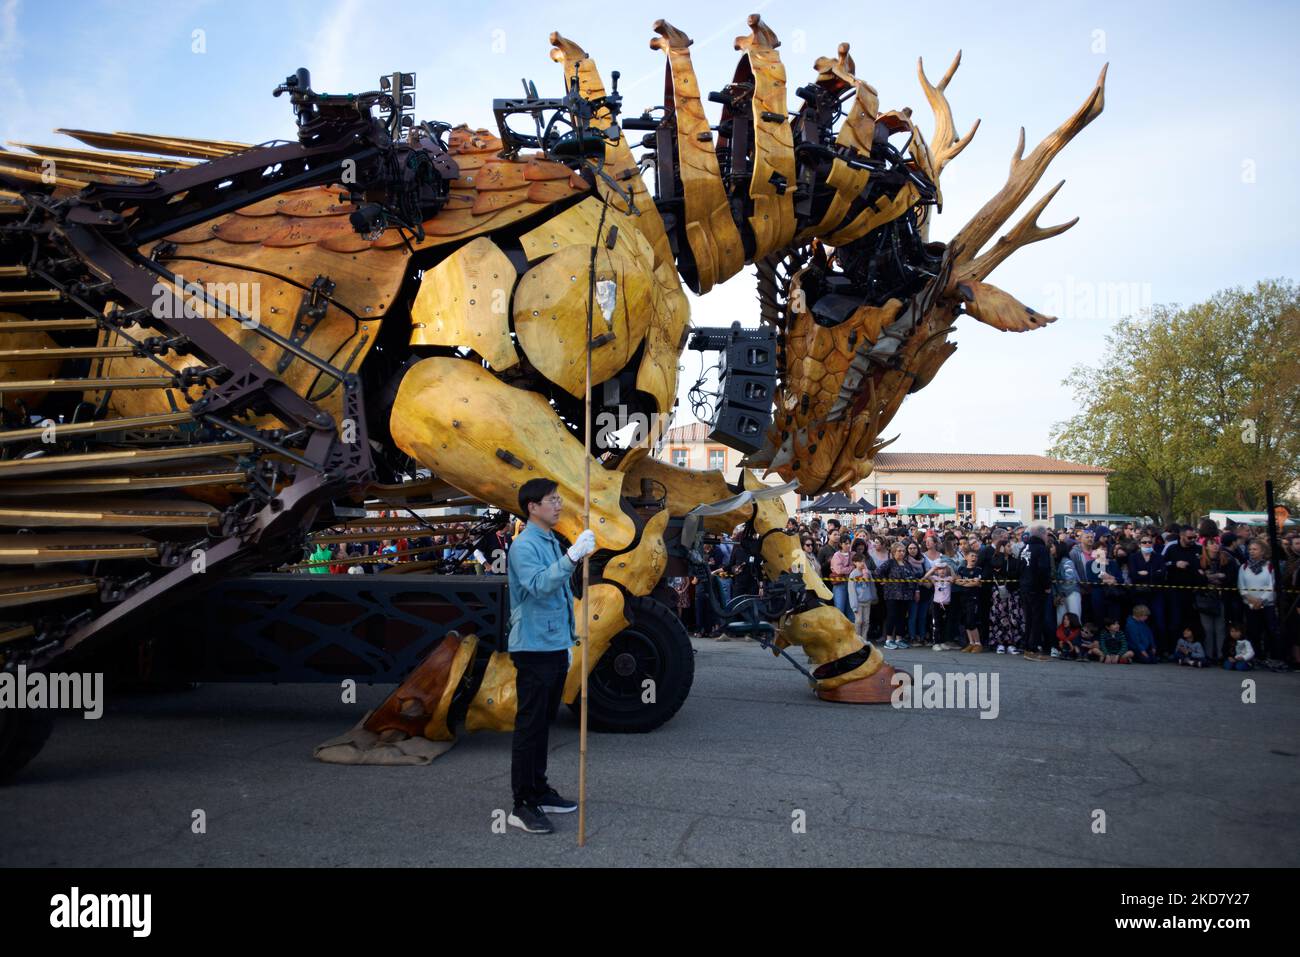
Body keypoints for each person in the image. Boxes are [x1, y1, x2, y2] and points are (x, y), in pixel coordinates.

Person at [504, 478, 595, 835]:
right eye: (552, 500)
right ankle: (521, 802)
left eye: (558, 499)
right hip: (533, 647)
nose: (558, 505)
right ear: (532, 507)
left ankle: (539, 789)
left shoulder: (548, 540)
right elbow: (540, 586)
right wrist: (573, 556)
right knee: (529, 727)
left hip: (553, 646)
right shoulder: (524, 545)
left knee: (542, 724)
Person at [1238, 539, 1281, 668]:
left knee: (1270, 631)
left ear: (1262, 551)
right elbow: (1241, 586)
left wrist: (1261, 600)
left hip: (1267, 605)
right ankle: (1256, 656)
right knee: (1253, 632)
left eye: (1255, 549)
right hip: (1250, 605)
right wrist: (1251, 599)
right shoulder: (1244, 567)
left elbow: (1271, 585)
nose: (1251, 552)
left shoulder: (1270, 567)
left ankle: (1273, 657)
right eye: (1250, 549)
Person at [1196, 538, 1237, 662]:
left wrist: (1209, 577)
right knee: (1207, 628)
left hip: (1221, 597)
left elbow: (1229, 577)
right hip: (1205, 597)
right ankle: (1208, 654)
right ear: (1206, 546)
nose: (1215, 546)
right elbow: (1197, 578)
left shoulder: (1227, 560)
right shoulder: (1200, 560)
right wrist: (1214, 577)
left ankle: (1220, 654)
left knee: (1220, 628)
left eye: (1216, 543)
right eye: (1211, 543)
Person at [876, 542, 918, 650]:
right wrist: (884, 579)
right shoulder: (889, 563)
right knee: (892, 616)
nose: (902, 553)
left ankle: (899, 639)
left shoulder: (907, 564)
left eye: (903, 551)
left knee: (902, 617)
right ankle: (889, 639)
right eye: (899, 551)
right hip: (892, 594)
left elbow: (913, 577)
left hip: (906, 595)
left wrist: (915, 590)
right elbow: (877, 572)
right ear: (894, 552)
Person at [953, 548, 985, 653]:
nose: (974, 558)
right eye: (972, 556)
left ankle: (978, 643)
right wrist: (965, 582)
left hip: (973, 598)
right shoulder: (961, 569)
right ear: (966, 557)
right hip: (963, 598)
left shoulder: (978, 570)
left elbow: (976, 583)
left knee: (972, 621)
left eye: (975, 556)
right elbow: (956, 581)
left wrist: (964, 582)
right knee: (966, 621)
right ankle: (971, 643)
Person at [847, 554, 876, 641]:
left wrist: (873, 596)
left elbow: (872, 585)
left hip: (867, 601)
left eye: (863, 561)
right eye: (859, 562)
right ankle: (857, 639)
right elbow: (851, 591)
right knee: (859, 621)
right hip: (858, 602)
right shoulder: (853, 574)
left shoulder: (868, 573)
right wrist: (854, 605)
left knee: (866, 621)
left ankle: (864, 639)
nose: (862, 563)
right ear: (854, 563)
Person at [830, 536, 855, 620]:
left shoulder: (852, 554)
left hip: (851, 584)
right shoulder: (837, 555)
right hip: (840, 584)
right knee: (840, 608)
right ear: (841, 544)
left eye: (849, 543)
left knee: (851, 608)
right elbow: (839, 570)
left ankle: (851, 629)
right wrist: (851, 568)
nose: (848, 545)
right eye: (846, 543)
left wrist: (847, 569)